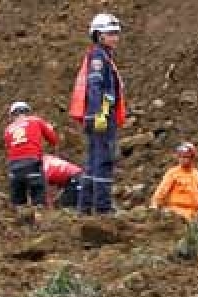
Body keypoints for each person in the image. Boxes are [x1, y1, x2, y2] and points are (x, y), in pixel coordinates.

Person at [69, 12, 126, 214]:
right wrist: (98, 114)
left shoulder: (102, 56)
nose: (115, 37)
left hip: (98, 115)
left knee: (93, 162)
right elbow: (95, 87)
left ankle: (85, 207)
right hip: (101, 116)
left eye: (116, 33)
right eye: (111, 33)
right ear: (99, 35)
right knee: (103, 160)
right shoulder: (99, 57)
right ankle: (102, 206)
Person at [3, 101, 58, 207]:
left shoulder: (8, 129)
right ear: (27, 112)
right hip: (32, 163)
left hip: (14, 166)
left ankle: (19, 219)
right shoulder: (36, 120)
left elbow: (9, 148)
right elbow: (53, 139)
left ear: (13, 115)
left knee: (18, 203)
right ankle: (39, 215)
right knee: (38, 199)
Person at [150, 142, 198, 220]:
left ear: (192, 158)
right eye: (180, 157)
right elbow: (162, 190)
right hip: (176, 213)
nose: (182, 159)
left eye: (185, 157)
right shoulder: (173, 173)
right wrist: (155, 204)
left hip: (193, 215)